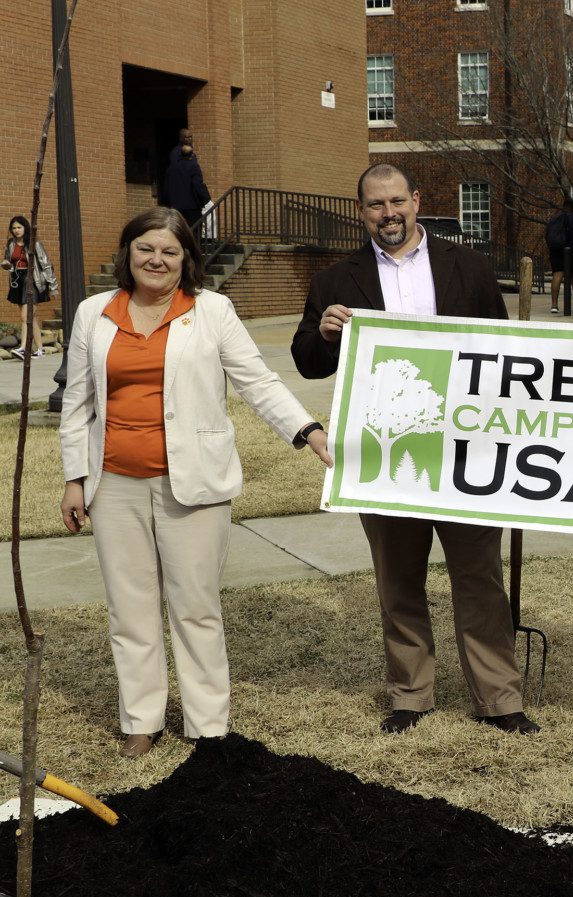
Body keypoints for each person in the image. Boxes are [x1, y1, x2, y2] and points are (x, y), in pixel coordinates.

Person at [58, 207, 330, 759]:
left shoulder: (212, 311)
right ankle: (142, 718)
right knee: (129, 607)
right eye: (145, 249)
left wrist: (307, 429)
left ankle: (207, 724)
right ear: (127, 254)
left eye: (170, 251)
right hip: (114, 485)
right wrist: (74, 479)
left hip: (195, 484)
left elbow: (258, 381)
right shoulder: (94, 313)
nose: (156, 260)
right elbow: (77, 402)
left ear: (187, 260)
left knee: (196, 605)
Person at [292, 163, 538, 738]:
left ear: (417, 200)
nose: (389, 214)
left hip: (463, 451)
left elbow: (502, 355)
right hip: (384, 448)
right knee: (398, 578)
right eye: (375, 206)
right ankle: (410, 694)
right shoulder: (335, 281)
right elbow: (308, 361)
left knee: (478, 576)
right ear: (361, 212)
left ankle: (500, 698)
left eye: (397, 201)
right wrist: (325, 334)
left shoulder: (468, 267)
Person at [3, 215, 56, 358]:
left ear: (25, 228)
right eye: (14, 228)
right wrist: (6, 265)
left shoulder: (35, 244)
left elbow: (46, 265)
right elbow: (9, 261)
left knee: (25, 316)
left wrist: (53, 286)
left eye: (19, 227)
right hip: (17, 282)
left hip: (32, 281)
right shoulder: (11, 244)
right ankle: (40, 350)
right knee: (32, 318)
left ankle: (23, 348)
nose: (16, 230)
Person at [545, 200, 573, 315]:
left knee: (557, 275)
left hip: (556, 251)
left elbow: (547, 235)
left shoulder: (555, 219)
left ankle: (554, 305)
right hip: (571, 251)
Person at [164, 142, 212, 226]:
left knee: (179, 228)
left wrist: (168, 201)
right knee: (194, 228)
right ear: (192, 154)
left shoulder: (172, 167)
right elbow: (197, 185)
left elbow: (167, 186)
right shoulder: (193, 166)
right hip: (191, 205)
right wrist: (206, 198)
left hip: (175, 204)